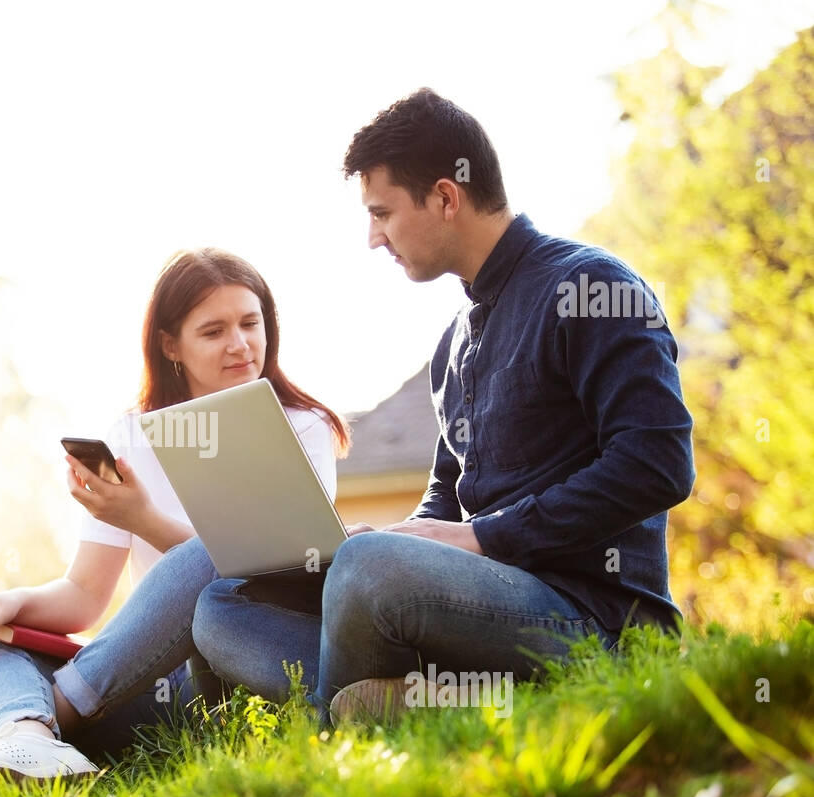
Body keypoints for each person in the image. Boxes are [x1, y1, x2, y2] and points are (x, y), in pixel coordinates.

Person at [190, 88, 696, 722]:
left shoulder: (591, 288)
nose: (374, 237)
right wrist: (398, 536)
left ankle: (343, 732)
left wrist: (479, 538)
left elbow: (658, 464)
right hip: (477, 612)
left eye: (383, 213)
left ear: (445, 197)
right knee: (223, 601)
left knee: (372, 571)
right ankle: (411, 701)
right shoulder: (453, 342)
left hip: (595, 619)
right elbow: (447, 495)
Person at [0, 248, 349, 797]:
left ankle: (52, 714)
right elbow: (83, 596)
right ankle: (29, 739)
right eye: (214, 331)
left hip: (241, 663)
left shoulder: (302, 426)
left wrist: (143, 520)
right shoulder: (132, 436)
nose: (241, 344)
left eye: (251, 323)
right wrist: (13, 601)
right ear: (171, 345)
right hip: (151, 682)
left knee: (208, 557)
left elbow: (277, 561)